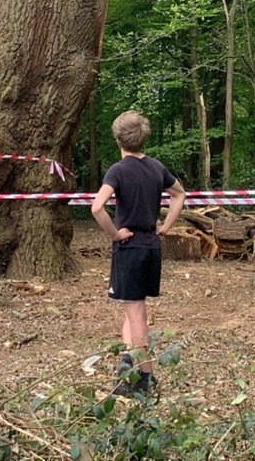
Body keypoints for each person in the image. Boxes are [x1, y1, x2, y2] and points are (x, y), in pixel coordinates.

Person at [91, 110, 186, 397]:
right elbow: (179, 194)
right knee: (133, 307)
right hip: (151, 248)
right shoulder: (156, 167)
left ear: (118, 139)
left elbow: (97, 207)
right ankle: (127, 359)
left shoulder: (117, 170)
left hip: (130, 248)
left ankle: (146, 378)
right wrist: (166, 226)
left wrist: (114, 234)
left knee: (137, 315)